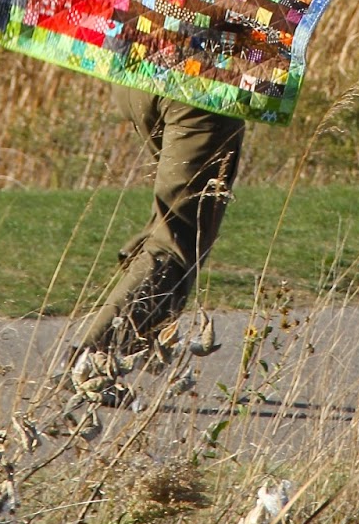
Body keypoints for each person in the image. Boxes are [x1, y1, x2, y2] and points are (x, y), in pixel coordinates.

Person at [68, 87, 243, 402]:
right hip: (202, 93)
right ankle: (92, 360)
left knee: (167, 222)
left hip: (139, 80)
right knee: (176, 241)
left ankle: (138, 339)